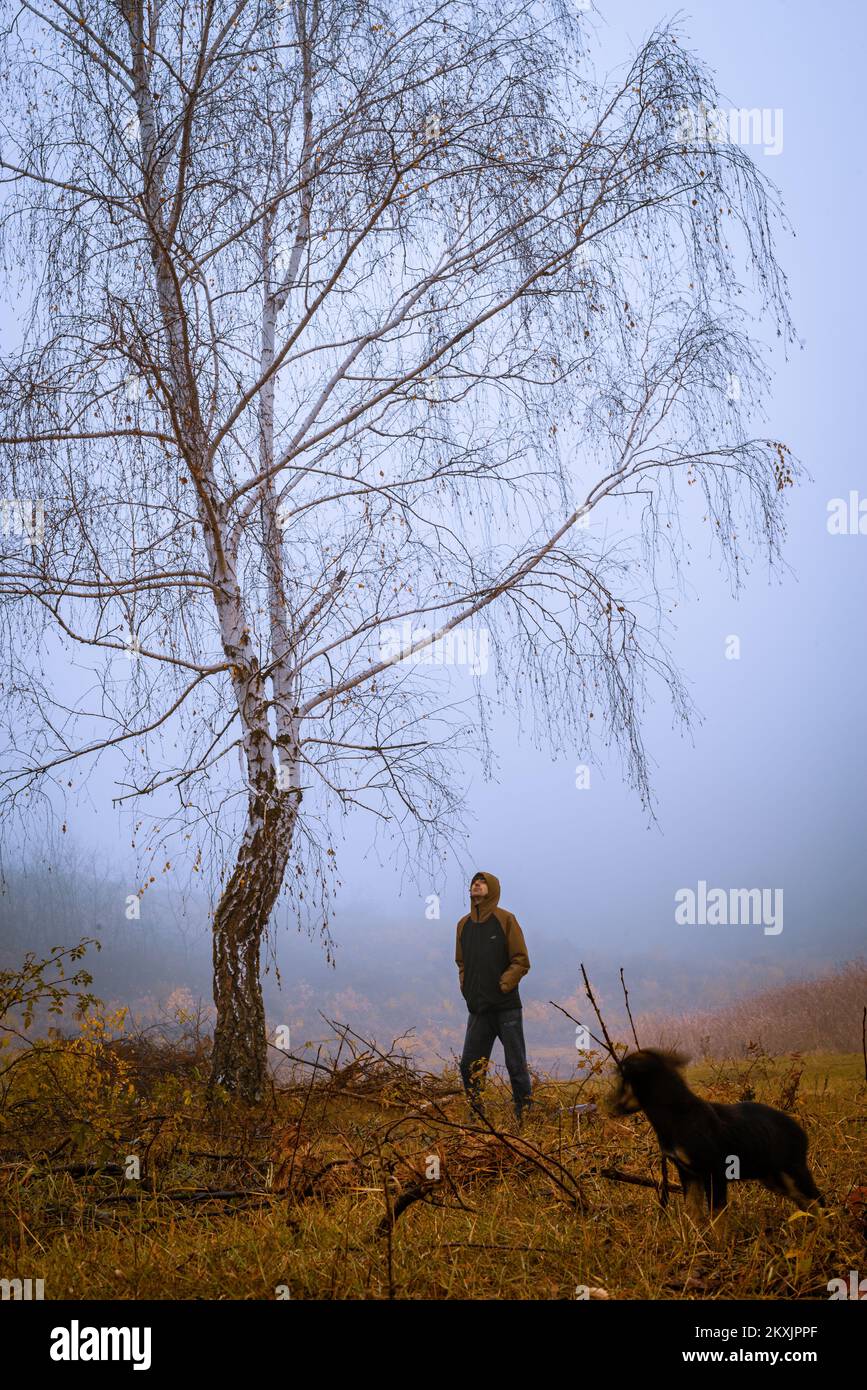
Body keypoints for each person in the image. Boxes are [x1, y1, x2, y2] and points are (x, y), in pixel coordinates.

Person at [455, 871, 532, 1126]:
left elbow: (521, 960)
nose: (476, 885)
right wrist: (467, 989)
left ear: (493, 889)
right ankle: (476, 1119)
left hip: (506, 1007)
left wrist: (502, 986)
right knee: (469, 1066)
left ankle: (526, 1117)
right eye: (474, 882)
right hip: (478, 1009)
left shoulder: (506, 920)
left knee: (516, 1065)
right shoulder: (463, 925)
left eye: (482, 882)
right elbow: (461, 962)